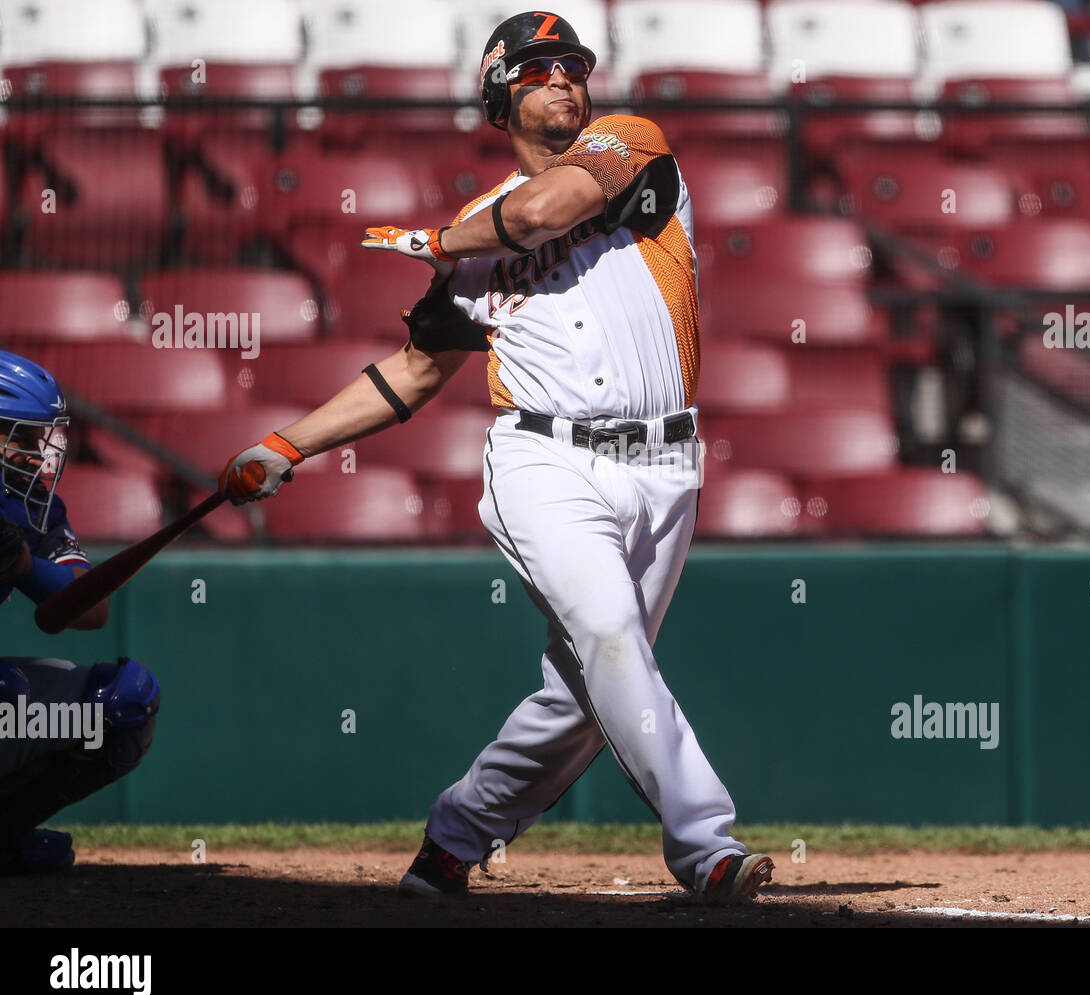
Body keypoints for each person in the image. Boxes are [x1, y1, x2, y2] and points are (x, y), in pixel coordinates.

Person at [219, 10, 773, 902]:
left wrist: (433, 242)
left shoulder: (630, 147)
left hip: (668, 465)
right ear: (498, 93)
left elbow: (546, 209)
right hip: (542, 461)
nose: (564, 78)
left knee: (582, 695)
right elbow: (413, 372)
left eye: (574, 66)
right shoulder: (473, 237)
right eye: (539, 67)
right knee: (607, 634)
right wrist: (284, 445)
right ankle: (705, 846)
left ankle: (454, 838)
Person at [0, 350, 161, 875]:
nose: (35, 454)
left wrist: (23, 564)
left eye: (38, 438)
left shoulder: (27, 504)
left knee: (123, 703)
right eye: (20, 437)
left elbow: (90, 609)